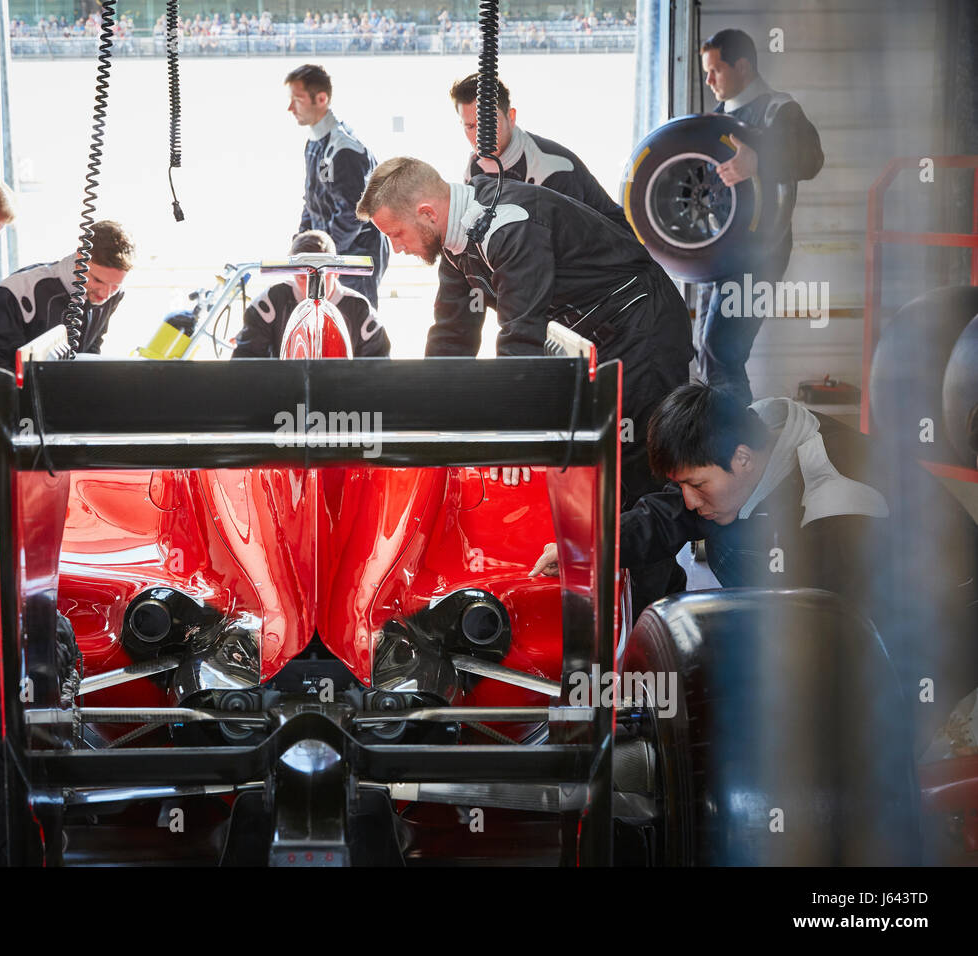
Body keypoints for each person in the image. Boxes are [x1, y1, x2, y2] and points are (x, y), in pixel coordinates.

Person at [530, 382, 978, 750]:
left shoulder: (833, 503)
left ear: (742, 460)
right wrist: (586, 546)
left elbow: (841, 642)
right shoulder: (744, 440)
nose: (688, 499)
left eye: (696, 484)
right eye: (682, 484)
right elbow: (668, 514)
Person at [356, 156, 694, 608]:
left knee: (638, 471)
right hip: (594, 334)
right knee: (606, 472)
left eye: (394, 234)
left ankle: (657, 613)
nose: (395, 249)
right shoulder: (456, 241)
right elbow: (452, 338)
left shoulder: (507, 225)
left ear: (427, 214)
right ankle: (625, 589)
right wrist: (422, 421)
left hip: (642, 323)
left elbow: (520, 338)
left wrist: (512, 437)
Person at [697, 28, 823, 404]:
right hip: (717, 256)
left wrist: (760, 160)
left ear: (743, 66)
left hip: (760, 256)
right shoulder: (715, 118)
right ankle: (723, 445)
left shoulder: (779, 110)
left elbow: (812, 160)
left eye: (715, 70)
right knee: (708, 353)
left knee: (723, 352)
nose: (708, 80)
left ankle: (741, 447)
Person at [448, 74, 629, 232]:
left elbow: (570, 247)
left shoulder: (551, 168)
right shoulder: (474, 170)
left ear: (511, 117)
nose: (481, 135)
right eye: (470, 126)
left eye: (490, 123)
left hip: (614, 256)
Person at [286, 64, 388, 308]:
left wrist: (321, 256)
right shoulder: (315, 142)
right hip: (329, 257)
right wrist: (299, 245)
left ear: (321, 99)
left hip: (354, 257)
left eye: (297, 100)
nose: (290, 108)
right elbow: (312, 202)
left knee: (353, 330)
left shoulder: (344, 149)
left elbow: (354, 214)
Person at [0, 220, 133, 369]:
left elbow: (93, 346)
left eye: (115, 286)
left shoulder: (115, 294)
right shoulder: (19, 288)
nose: (105, 294)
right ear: (80, 257)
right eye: (98, 280)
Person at [232, 229, 391, 358]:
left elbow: (379, 366)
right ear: (292, 273)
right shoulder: (270, 303)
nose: (310, 285)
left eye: (322, 275)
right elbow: (246, 358)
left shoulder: (360, 310)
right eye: (302, 277)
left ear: (336, 272)